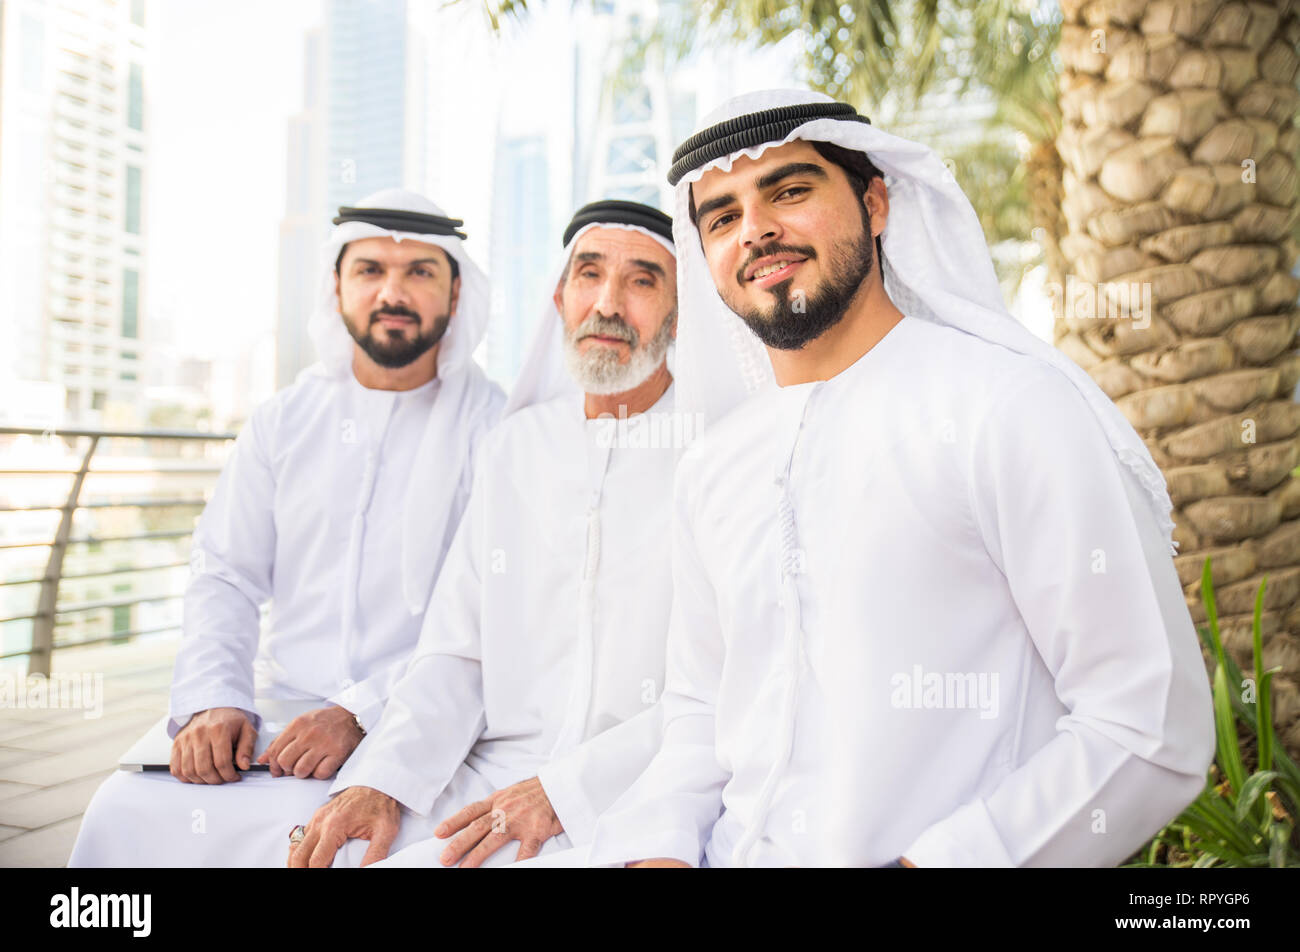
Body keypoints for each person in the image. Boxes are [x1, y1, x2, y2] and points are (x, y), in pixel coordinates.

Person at [587, 89, 1216, 868]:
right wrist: (659, 850)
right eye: (721, 217)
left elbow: (1149, 723)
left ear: (876, 202)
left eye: (790, 189)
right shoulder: (713, 466)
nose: (756, 229)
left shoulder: (1006, 405)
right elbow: (700, 713)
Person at [68, 189, 504, 866]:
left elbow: (490, 617)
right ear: (337, 287)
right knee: (124, 811)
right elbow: (226, 572)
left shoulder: (498, 430)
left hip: (433, 729)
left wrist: (362, 711)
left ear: (455, 295)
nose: (394, 290)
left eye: (420, 271)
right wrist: (217, 699)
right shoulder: (283, 421)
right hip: (277, 721)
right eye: (370, 270)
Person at [288, 199, 681, 868]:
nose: (608, 304)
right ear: (560, 296)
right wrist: (383, 777)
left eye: (643, 281)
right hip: (492, 773)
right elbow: (457, 649)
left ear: (680, 312)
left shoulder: (720, 454)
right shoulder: (515, 447)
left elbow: (722, 689)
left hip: (645, 790)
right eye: (589, 274)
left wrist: (566, 789)